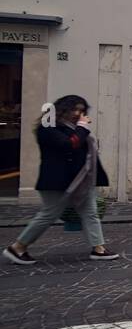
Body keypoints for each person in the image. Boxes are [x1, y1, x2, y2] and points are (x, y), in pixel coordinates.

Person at [4, 94, 119, 264]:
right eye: (74, 109)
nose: (77, 113)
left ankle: (98, 248)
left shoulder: (75, 128)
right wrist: (82, 128)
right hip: (56, 180)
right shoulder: (48, 128)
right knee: (49, 214)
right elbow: (68, 145)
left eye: (81, 110)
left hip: (80, 180)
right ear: (62, 109)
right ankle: (18, 247)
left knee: (90, 213)